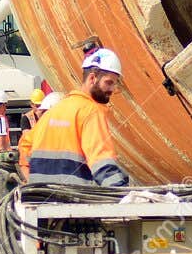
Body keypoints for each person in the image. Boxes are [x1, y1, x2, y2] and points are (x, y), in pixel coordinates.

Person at [27, 48, 130, 188]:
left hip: (40, 199)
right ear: (92, 78)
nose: (112, 89)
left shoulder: (54, 110)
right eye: (109, 82)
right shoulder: (91, 111)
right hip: (74, 202)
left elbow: (25, 146)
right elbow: (101, 162)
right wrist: (122, 193)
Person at [18, 89, 48, 179]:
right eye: (37, 105)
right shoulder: (26, 118)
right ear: (32, 105)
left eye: (41, 105)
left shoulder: (47, 116)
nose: (39, 108)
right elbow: (27, 137)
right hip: (27, 161)